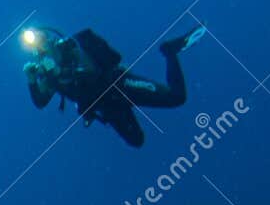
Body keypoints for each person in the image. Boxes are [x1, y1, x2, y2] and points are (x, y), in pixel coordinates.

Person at [22, 24, 205, 148]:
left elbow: (91, 72)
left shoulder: (69, 48)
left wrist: (60, 72)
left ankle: (169, 51)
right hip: (107, 106)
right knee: (136, 141)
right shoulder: (46, 73)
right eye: (35, 47)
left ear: (48, 38)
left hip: (119, 85)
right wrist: (32, 81)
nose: (40, 48)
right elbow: (40, 102)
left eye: (41, 40)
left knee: (176, 97)